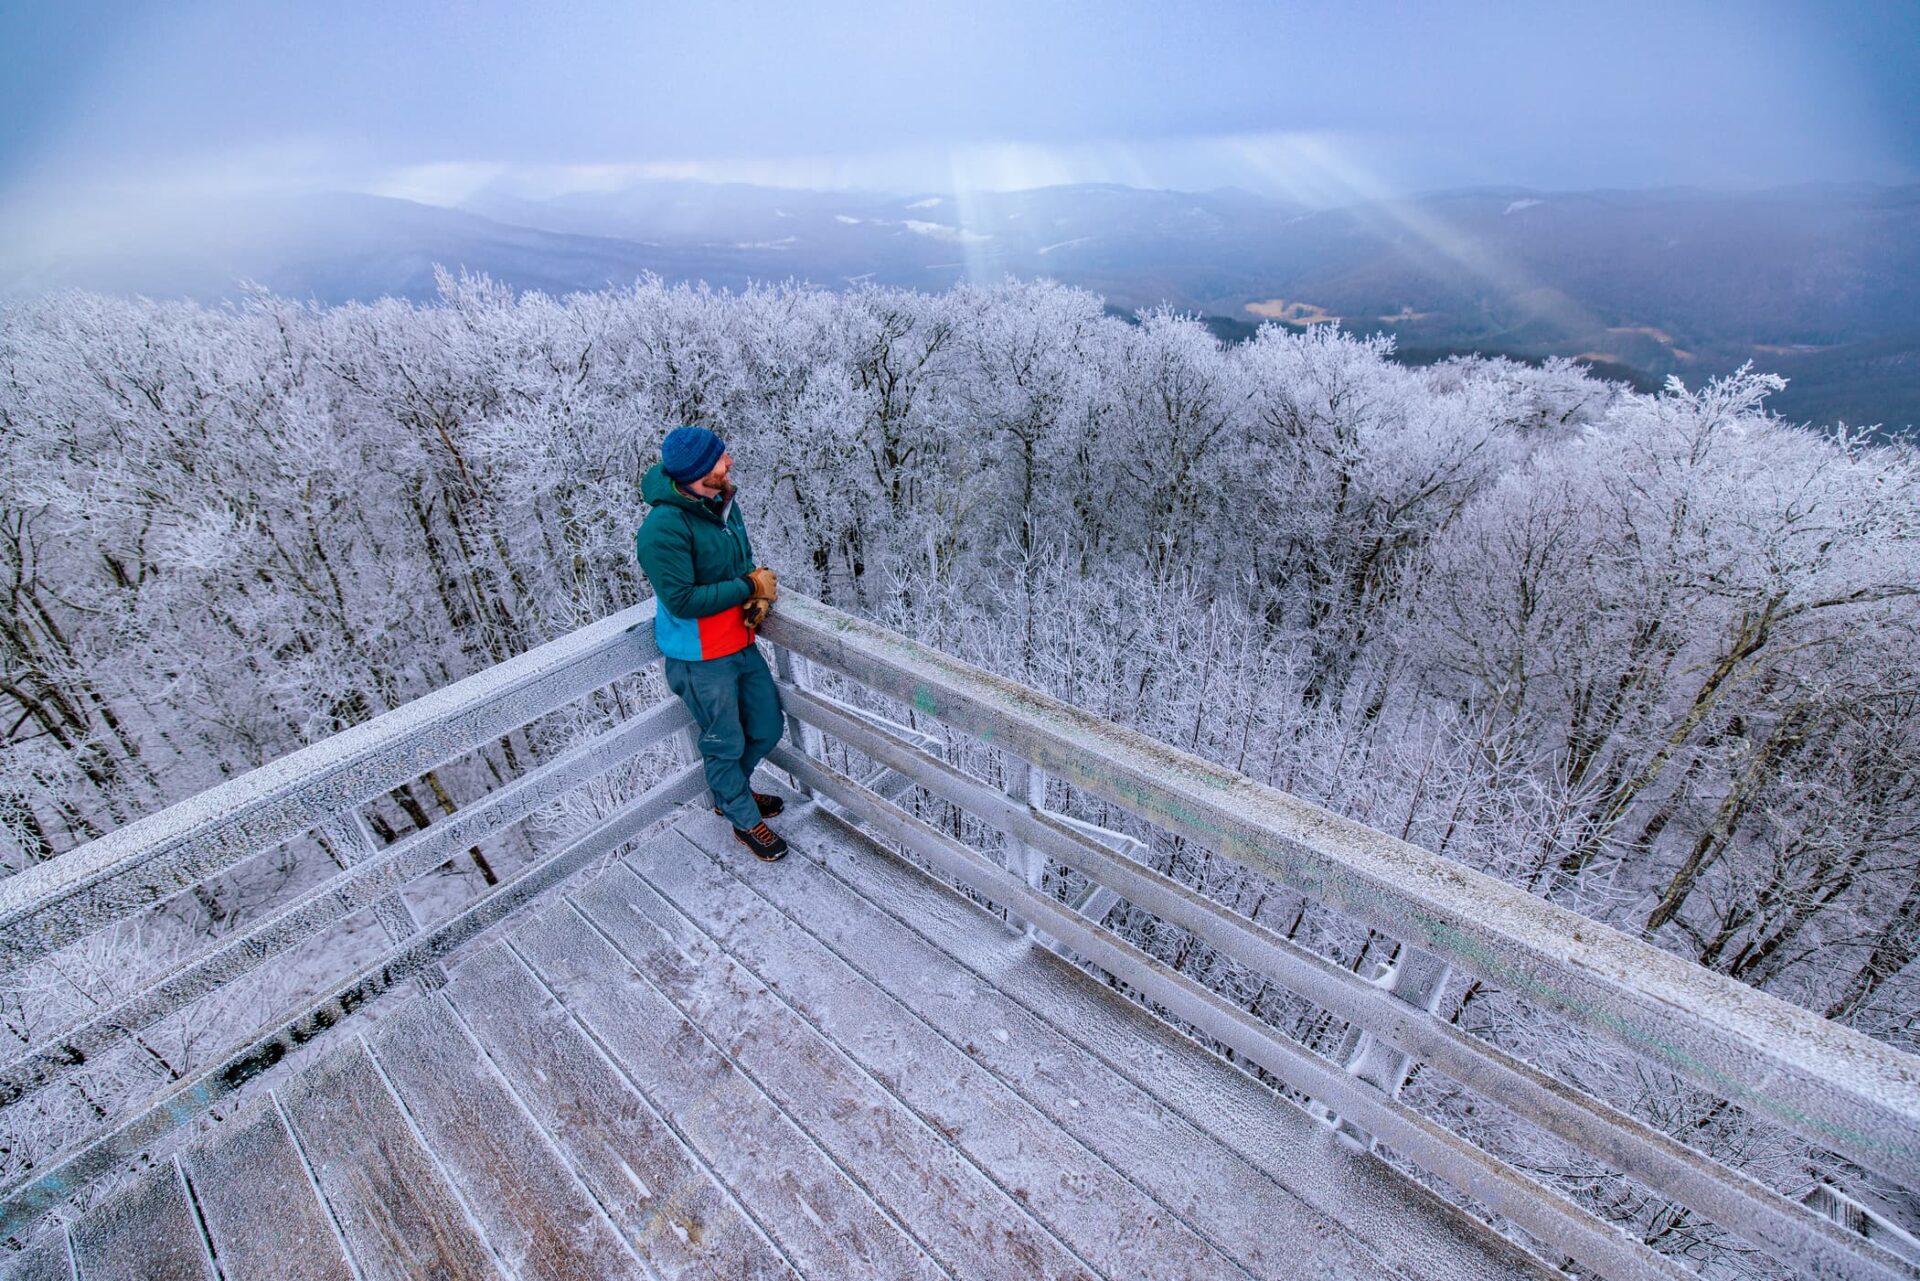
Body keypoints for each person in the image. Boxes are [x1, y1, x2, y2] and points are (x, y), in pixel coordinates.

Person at [634, 425, 790, 861]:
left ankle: (731, 792)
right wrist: (748, 586)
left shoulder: (722, 503)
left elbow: (738, 563)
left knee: (767, 726)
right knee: (725, 742)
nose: (729, 461)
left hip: (739, 642)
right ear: (698, 471)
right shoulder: (662, 529)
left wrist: (755, 591)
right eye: (721, 458)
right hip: (700, 658)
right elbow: (682, 601)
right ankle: (742, 816)